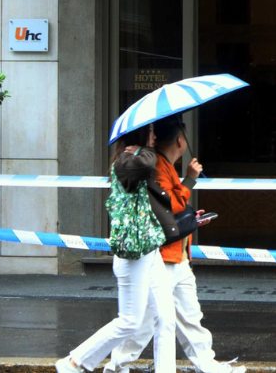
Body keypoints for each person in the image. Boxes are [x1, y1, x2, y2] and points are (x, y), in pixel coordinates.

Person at [106, 114, 244, 373]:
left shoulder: (162, 165)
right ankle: (116, 365)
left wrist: (190, 214)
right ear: (180, 140)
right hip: (164, 256)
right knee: (147, 321)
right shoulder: (155, 165)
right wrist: (190, 179)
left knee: (189, 316)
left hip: (177, 255)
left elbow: (171, 208)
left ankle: (207, 364)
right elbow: (170, 205)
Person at [56, 134, 177, 373]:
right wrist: (145, 150)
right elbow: (145, 165)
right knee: (130, 321)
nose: (155, 136)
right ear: (140, 135)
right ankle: (74, 362)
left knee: (165, 317)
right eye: (151, 132)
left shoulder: (135, 159)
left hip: (148, 249)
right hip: (133, 254)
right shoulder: (127, 161)